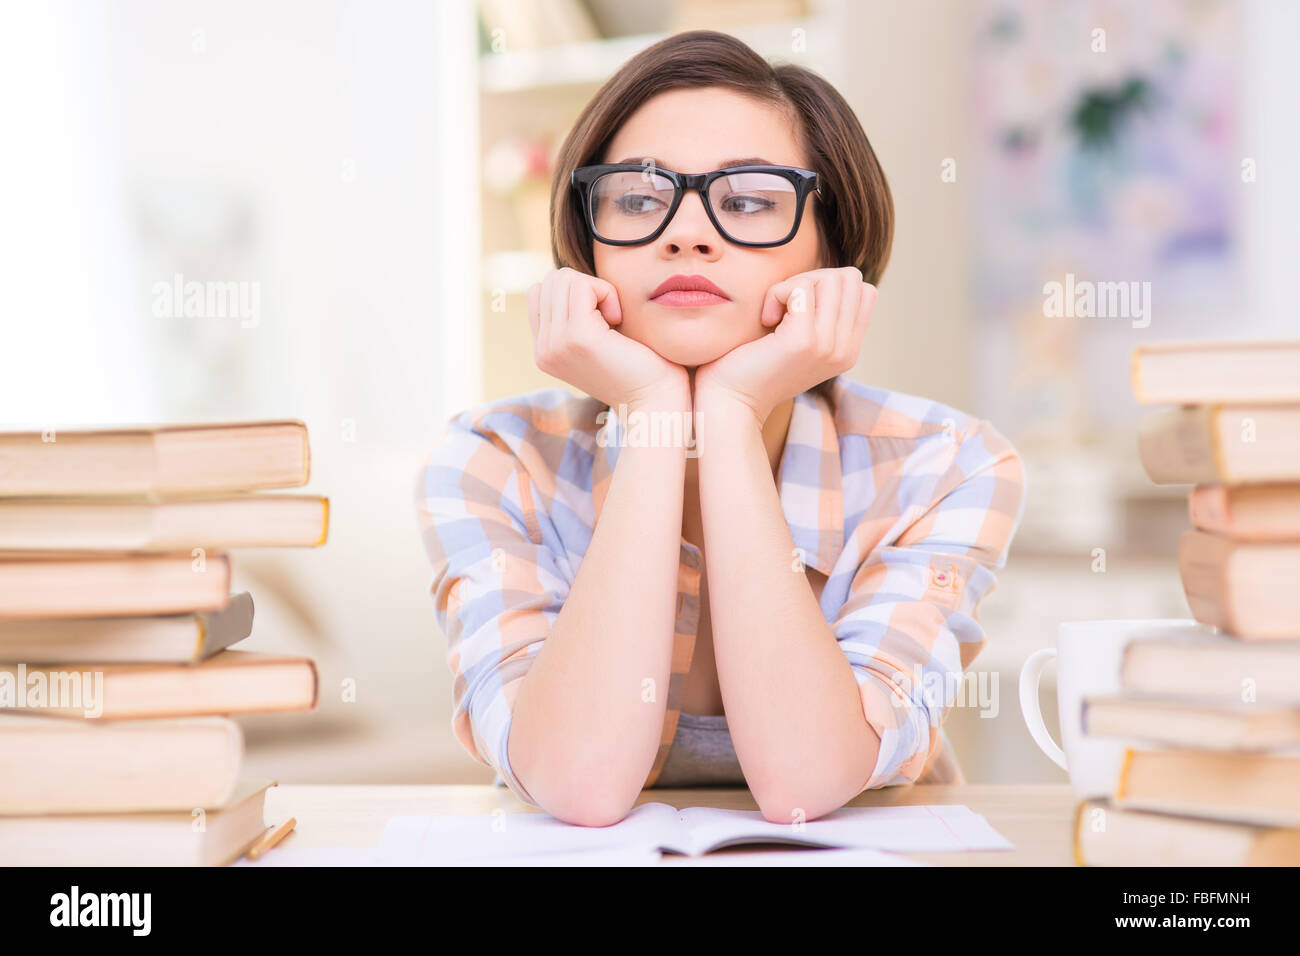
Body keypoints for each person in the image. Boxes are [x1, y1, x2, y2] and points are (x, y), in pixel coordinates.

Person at [414, 30, 1026, 827]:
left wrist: (731, 415)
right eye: (637, 198)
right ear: (588, 248)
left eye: (747, 200)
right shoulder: (493, 462)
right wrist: (655, 414)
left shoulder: (945, 466)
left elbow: (806, 784)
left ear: (833, 252)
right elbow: (577, 783)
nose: (686, 233)